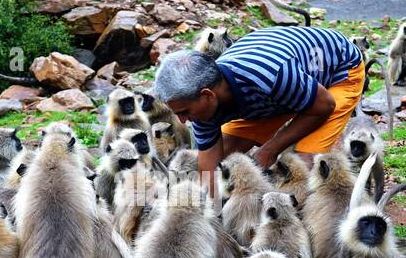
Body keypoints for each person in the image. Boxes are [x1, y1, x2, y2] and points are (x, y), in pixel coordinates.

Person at [152, 26, 365, 186]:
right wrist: (210, 211)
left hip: (338, 72)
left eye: (184, 112)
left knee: (300, 163)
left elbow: (324, 105)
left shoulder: (269, 76)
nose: (182, 121)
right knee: (228, 153)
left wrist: (270, 150)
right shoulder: (200, 104)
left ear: (207, 95)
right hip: (283, 90)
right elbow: (209, 168)